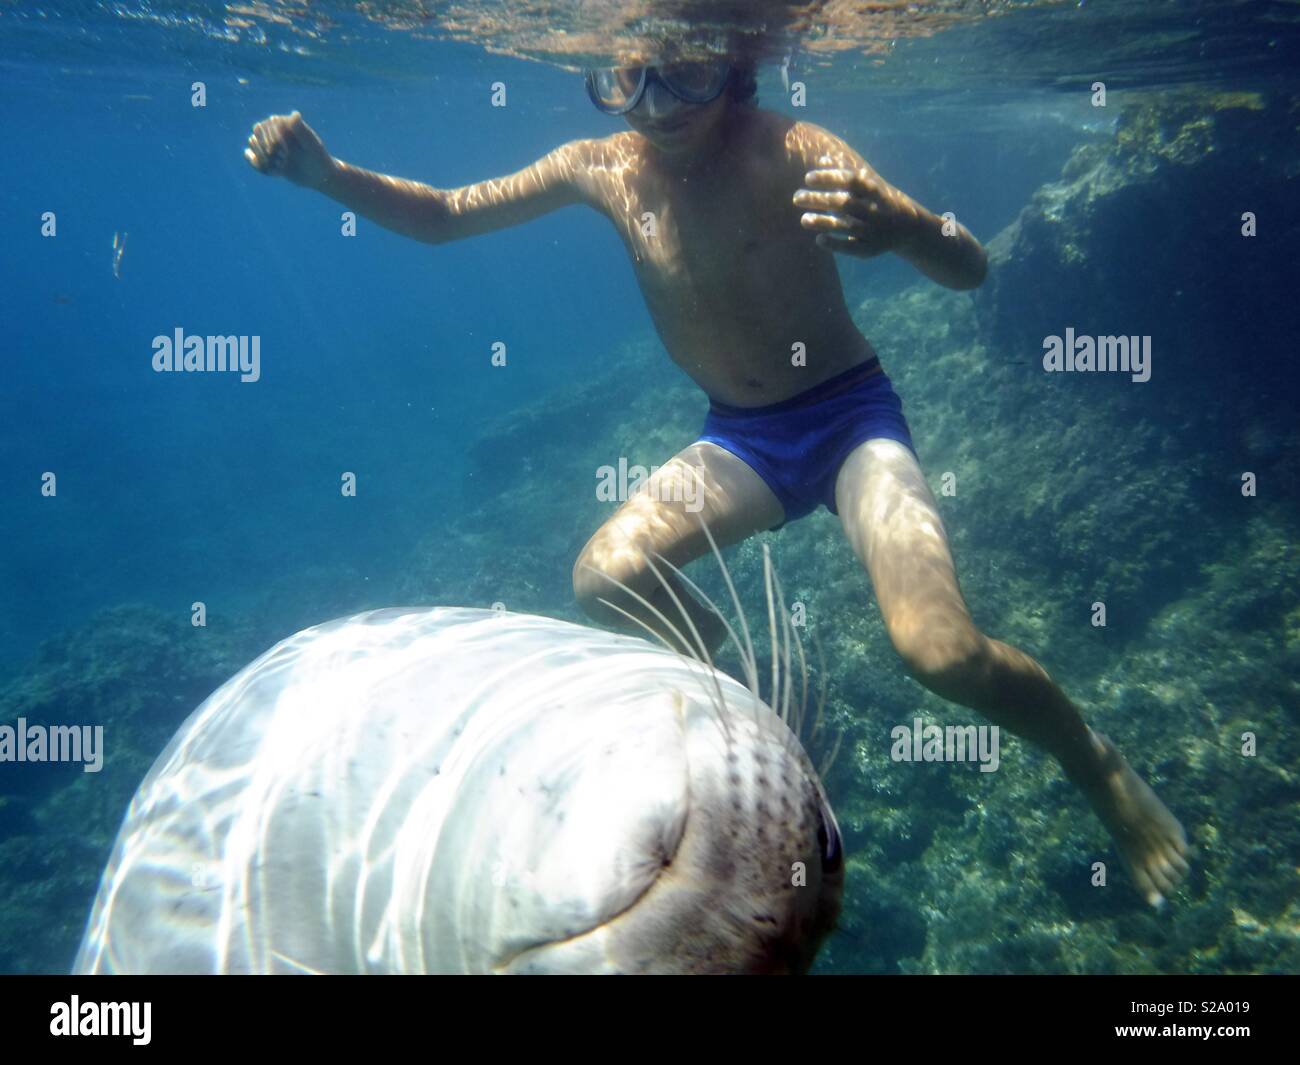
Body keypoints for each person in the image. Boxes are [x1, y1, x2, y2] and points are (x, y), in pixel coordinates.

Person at [244, 56, 1190, 906]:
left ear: (734, 69)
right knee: (604, 575)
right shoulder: (597, 166)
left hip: (850, 417)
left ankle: (1093, 760)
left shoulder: (792, 147)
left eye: (685, 76)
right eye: (628, 80)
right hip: (740, 437)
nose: (657, 105)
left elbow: (970, 267)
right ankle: (754, 699)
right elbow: (448, 216)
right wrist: (326, 177)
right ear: (603, 80)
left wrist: (901, 224)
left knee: (939, 653)